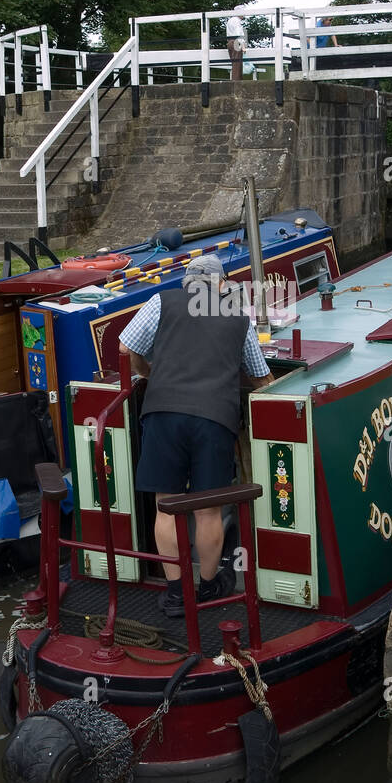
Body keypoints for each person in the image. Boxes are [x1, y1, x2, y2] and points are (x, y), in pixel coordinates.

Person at [119, 254, 272, 617]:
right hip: (213, 418)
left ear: (186, 282)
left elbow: (127, 348)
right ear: (222, 284)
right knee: (208, 511)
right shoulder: (238, 314)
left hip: (163, 412)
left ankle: (175, 594)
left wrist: (149, 373)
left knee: (166, 505)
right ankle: (208, 587)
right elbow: (259, 375)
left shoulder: (161, 301)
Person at [225, 11, 246, 81]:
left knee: (234, 63)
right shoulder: (237, 21)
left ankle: (236, 82)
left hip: (230, 42)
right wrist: (243, 46)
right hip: (236, 42)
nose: (244, 14)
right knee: (237, 64)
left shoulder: (230, 20)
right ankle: (237, 83)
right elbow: (238, 34)